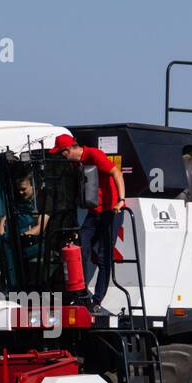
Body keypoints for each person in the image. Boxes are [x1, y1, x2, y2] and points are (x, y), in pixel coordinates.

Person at [50, 134, 124, 313]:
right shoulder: (77, 164)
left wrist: (120, 200)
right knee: (80, 247)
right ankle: (81, 294)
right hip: (94, 213)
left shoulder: (94, 155)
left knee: (104, 256)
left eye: (61, 154)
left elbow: (117, 172)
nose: (62, 158)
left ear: (68, 150)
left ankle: (97, 300)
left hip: (111, 212)